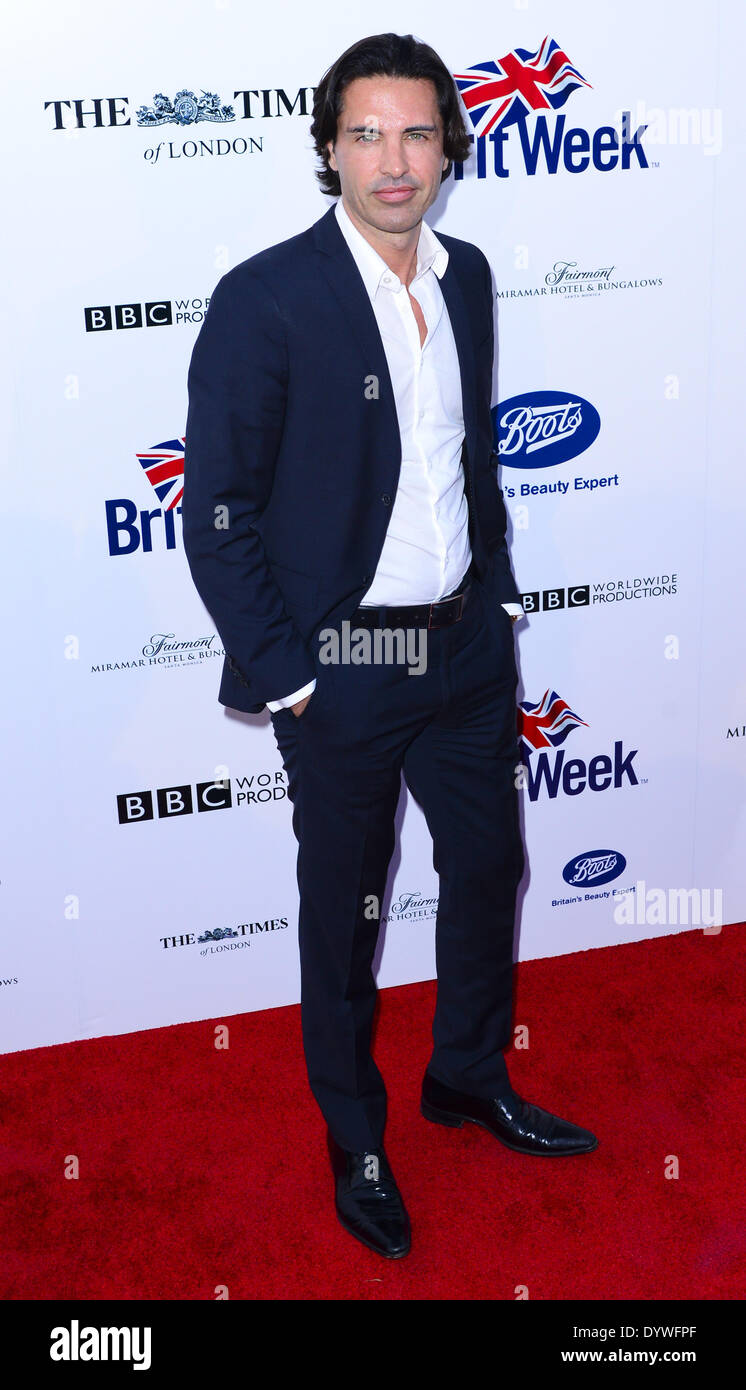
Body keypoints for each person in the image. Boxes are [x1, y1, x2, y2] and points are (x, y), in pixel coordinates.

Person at [182, 31, 597, 1262]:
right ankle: (354, 1138)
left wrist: (499, 596)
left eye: (415, 131)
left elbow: (467, 460)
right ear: (327, 149)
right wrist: (297, 678)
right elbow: (217, 514)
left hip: (465, 652)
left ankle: (465, 1077)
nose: (392, 159)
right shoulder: (267, 298)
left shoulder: (462, 275)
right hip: (346, 667)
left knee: (486, 872)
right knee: (345, 918)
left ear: (447, 148)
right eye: (364, 133)